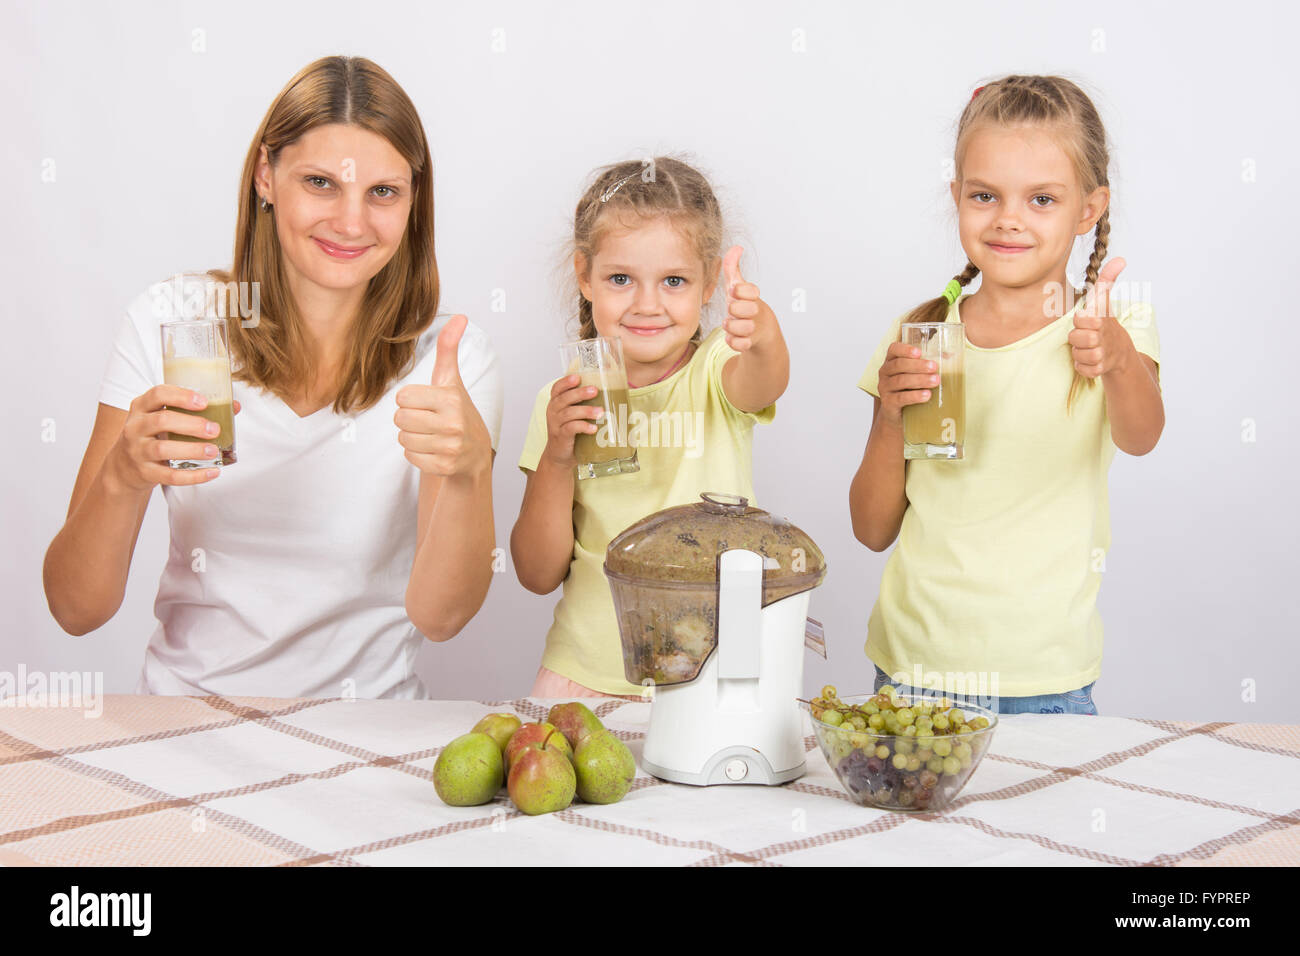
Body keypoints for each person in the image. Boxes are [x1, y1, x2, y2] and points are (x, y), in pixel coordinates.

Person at [42, 56, 503, 699]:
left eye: (383, 192)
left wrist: (470, 470)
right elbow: (75, 609)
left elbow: (443, 618)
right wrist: (121, 475)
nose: (350, 222)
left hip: (367, 733)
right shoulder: (172, 324)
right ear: (266, 175)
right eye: (320, 183)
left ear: (412, 201)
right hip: (184, 724)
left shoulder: (451, 359)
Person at [849, 75, 1164, 715]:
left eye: (1042, 199)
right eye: (985, 195)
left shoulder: (1111, 327)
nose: (1009, 219)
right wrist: (889, 418)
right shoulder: (924, 333)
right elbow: (872, 528)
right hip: (911, 668)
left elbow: (1142, 437)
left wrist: (1118, 359)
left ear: (1089, 208)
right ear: (957, 197)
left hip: (1043, 678)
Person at [511, 157, 790, 698]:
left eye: (674, 281)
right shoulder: (563, 401)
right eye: (620, 278)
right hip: (585, 676)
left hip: (711, 677)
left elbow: (765, 381)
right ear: (584, 277)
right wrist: (557, 457)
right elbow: (536, 573)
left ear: (709, 284)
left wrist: (764, 335)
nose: (646, 304)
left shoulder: (715, 370)